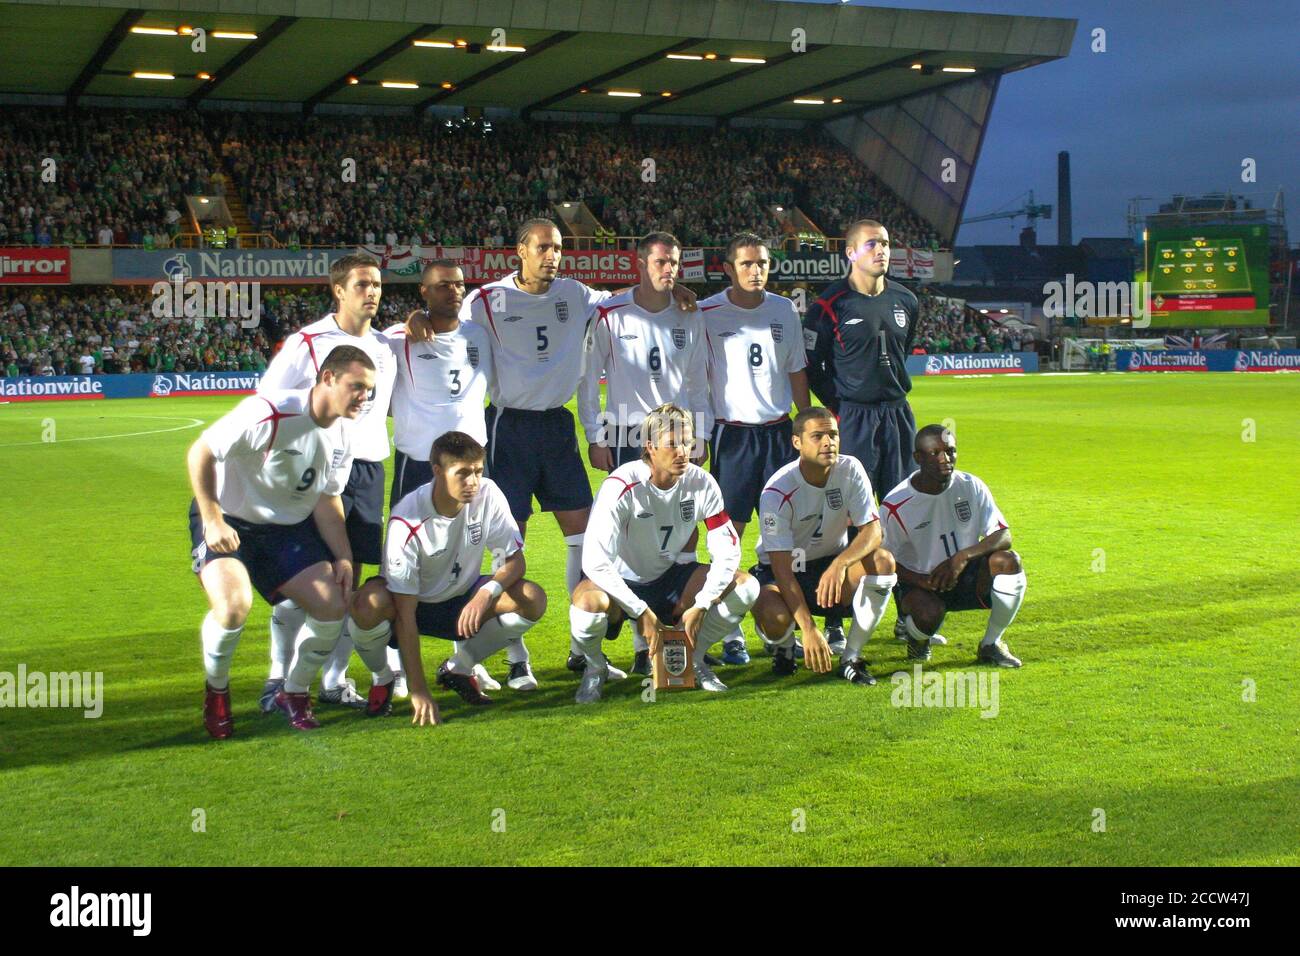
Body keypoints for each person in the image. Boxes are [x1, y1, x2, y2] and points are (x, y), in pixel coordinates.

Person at [407, 219, 696, 671]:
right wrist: (420, 315)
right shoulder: (487, 299)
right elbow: (446, 321)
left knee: (585, 540)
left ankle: (582, 650)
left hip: (558, 430)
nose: (553, 256)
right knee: (506, 544)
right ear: (520, 251)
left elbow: (631, 300)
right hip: (510, 428)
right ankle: (508, 656)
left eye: (558, 249)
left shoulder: (577, 295)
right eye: (543, 247)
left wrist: (673, 291)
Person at [187, 346, 377, 737]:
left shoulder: (344, 432)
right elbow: (201, 452)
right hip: (230, 520)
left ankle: (294, 692)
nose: (364, 397)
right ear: (327, 378)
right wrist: (212, 519)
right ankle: (217, 690)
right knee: (233, 608)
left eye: (370, 390)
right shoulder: (271, 411)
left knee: (333, 605)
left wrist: (343, 556)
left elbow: (327, 499)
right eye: (356, 386)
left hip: (285, 531)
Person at [256, 254, 397, 711]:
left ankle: (335, 681)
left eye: (376, 284)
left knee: (348, 579)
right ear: (338, 290)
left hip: (366, 470)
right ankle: (278, 678)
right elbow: (268, 403)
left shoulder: (386, 348)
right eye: (362, 284)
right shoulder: (307, 342)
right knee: (302, 579)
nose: (372, 292)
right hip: (311, 470)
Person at [577, 232, 712, 675]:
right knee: (630, 531)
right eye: (660, 261)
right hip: (625, 431)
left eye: (674, 261)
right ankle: (633, 633)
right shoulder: (610, 313)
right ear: (640, 262)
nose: (668, 268)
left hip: (675, 434)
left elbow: (696, 382)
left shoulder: (689, 315)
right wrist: (595, 435)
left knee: (675, 525)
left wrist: (701, 433)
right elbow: (588, 377)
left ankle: (659, 634)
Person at [385, 260, 524, 691]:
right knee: (405, 561)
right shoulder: (397, 340)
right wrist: (408, 321)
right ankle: (395, 665)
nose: (453, 291)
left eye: (459, 285)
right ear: (423, 294)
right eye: (442, 286)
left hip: (470, 462)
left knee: (472, 552)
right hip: (418, 463)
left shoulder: (477, 335)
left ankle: (468, 656)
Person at [348, 432, 546, 725]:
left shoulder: (488, 493)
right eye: (463, 473)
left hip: (463, 598)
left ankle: (459, 668)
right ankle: (383, 677)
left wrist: (486, 593)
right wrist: (419, 690)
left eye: (478, 471)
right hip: (412, 605)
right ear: (437, 471)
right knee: (367, 604)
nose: (473, 482)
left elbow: (515, 560)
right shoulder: (407, 520)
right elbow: (405, 614)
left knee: (532, 598)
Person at [569, 404, 760, 703]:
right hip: (621, 581)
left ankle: (694, 660)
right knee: (586, 606)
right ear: (650, 447)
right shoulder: (621, 485)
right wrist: (640, 611)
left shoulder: (701, 482)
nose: (683, 451)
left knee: (747, 587)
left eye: (687, 442)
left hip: (671, 577)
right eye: (673, 444)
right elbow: (594, 560)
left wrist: (702, 604)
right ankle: (595, 668)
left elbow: (727, 550)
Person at [698, 232, 812, 664]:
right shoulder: (706, 312)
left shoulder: (784, 309)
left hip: (780, 434)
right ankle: (727, 631)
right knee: (729, 537)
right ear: (728, 268)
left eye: (762, 263)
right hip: (733, 436)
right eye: (746, 264)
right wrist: (701, 435)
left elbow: (797, 369)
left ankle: (775, 626)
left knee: (780, 534)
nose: (755, 271)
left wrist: (805, 424)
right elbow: (697, 377)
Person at [750, 407, 896, 685]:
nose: (828, 442)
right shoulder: (776, 491)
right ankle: (784, 645)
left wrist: (840, 564)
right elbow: (782, 570)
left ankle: (851, 658)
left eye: (833, 434)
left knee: (883, 561)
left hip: (829, 566)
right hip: (782, 573)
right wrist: (808, 629)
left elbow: (873, 531)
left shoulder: (850, 468)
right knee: (773, 615)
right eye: (817, 436)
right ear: (797, 443)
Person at [881, 424, 1026, 668]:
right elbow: (882, 561)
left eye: (950, 451)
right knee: (928, 614)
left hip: (965, 573)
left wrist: (962, 557)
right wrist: (921, 581)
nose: (945, 459)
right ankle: (917, 640)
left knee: (1008, 561)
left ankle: (991, 644)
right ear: (918, 458)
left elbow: (1002, 534)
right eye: (935, 452)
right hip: (922, 582)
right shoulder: (896, 504)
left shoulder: (970, 485)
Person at [803, 219, 919, 499]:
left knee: (903, 502)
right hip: (853, 417)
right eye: (871, 244)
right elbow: (810, 364)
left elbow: (904, 350)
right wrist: (837, 403)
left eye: (885, 244)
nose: (881, 250)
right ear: (851, 253)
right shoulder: (828, 305)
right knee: (853, 505)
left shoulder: (907, 300)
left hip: (898, 414)